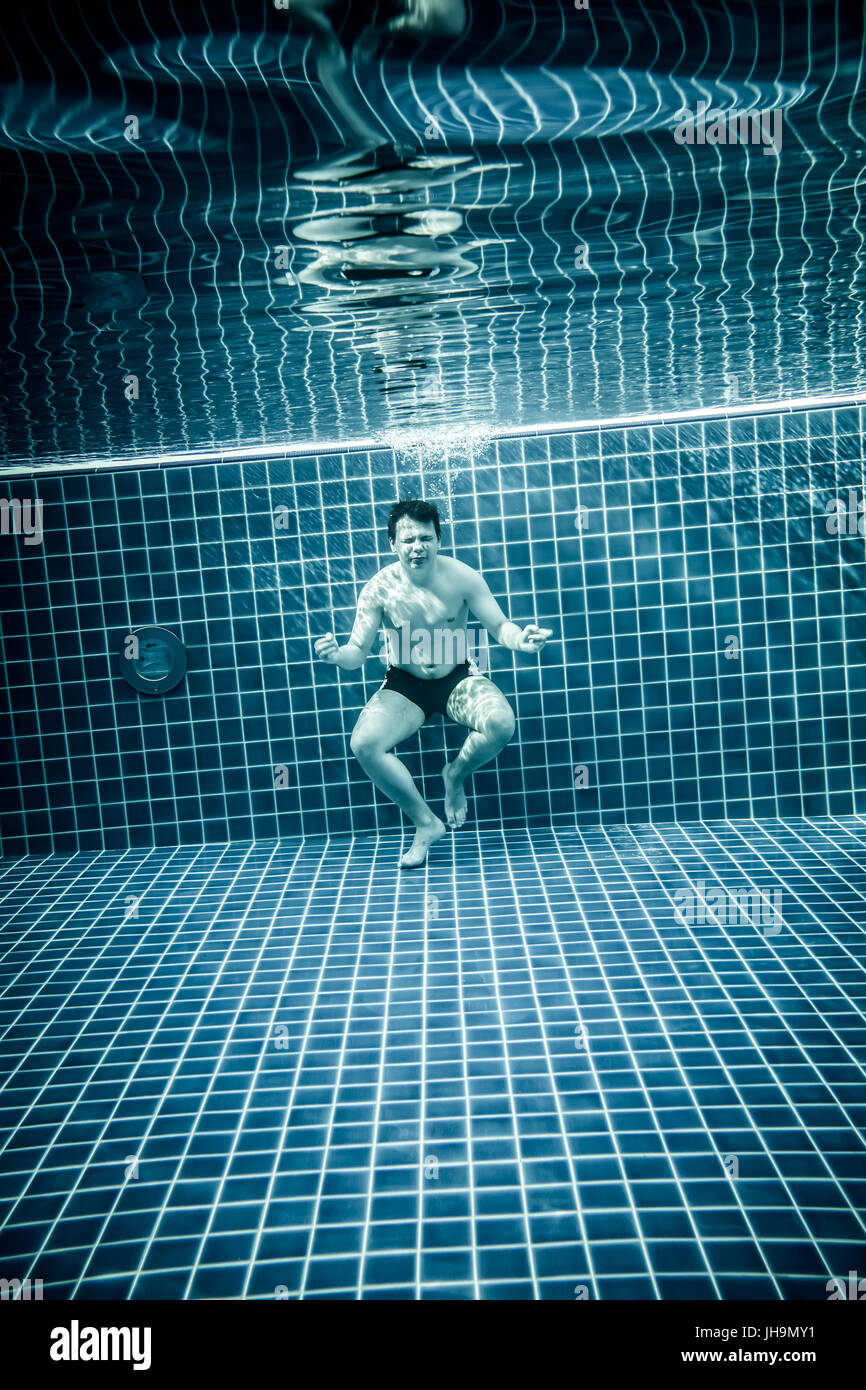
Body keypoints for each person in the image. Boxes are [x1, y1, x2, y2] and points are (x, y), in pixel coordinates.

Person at [314, 499, 553, 868]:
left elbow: (499, 626)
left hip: (457, 677)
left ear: (439, 539)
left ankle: (454, 774)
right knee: (364, 744)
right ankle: (425, 823)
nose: (417, 547)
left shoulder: (462, 577)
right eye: (407, 540)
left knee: (502, 724)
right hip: (405, 685)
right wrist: (335, 655)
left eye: (425, 538)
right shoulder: (378, 589)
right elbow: (356, 654)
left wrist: (520, 639)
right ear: (392, 544)